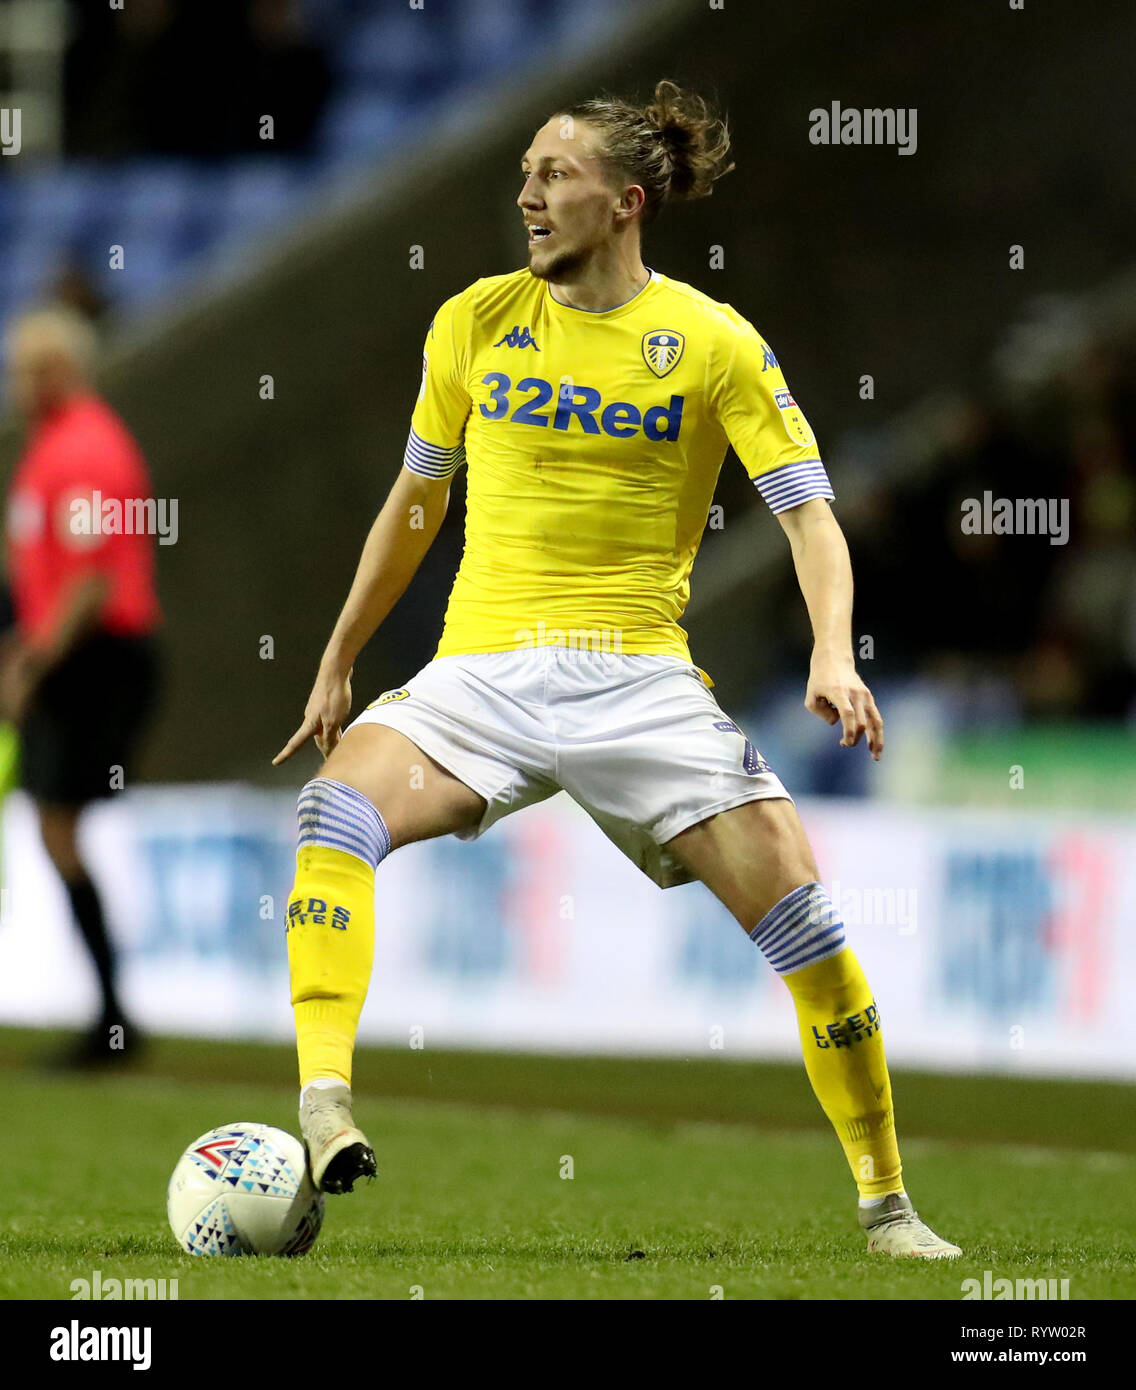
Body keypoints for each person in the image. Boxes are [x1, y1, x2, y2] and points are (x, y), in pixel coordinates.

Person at [274, 82, 960, 1258]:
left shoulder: (709, 341)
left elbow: (806, 516)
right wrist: (338, 654)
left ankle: (886, 1203)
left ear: (625, 199)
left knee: (802, 917)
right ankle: (323, 1097)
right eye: (526, 173)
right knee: (333, 807)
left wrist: (833, 654)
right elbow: (416, 503)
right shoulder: (474, 322)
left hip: (637, 679)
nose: (527, 193)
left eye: (554, 172)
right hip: (478, 671)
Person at [2, 306, 161, 1065]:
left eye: (34, 368)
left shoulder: (88, 448)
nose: (21, 383)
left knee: (59, 823)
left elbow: (92, 581)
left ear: (67, 368)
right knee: (53, 825)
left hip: (97, 658)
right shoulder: (48, 448)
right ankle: (110, 1015)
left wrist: (30, 665)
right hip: (67, 656)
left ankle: (111, 1021)